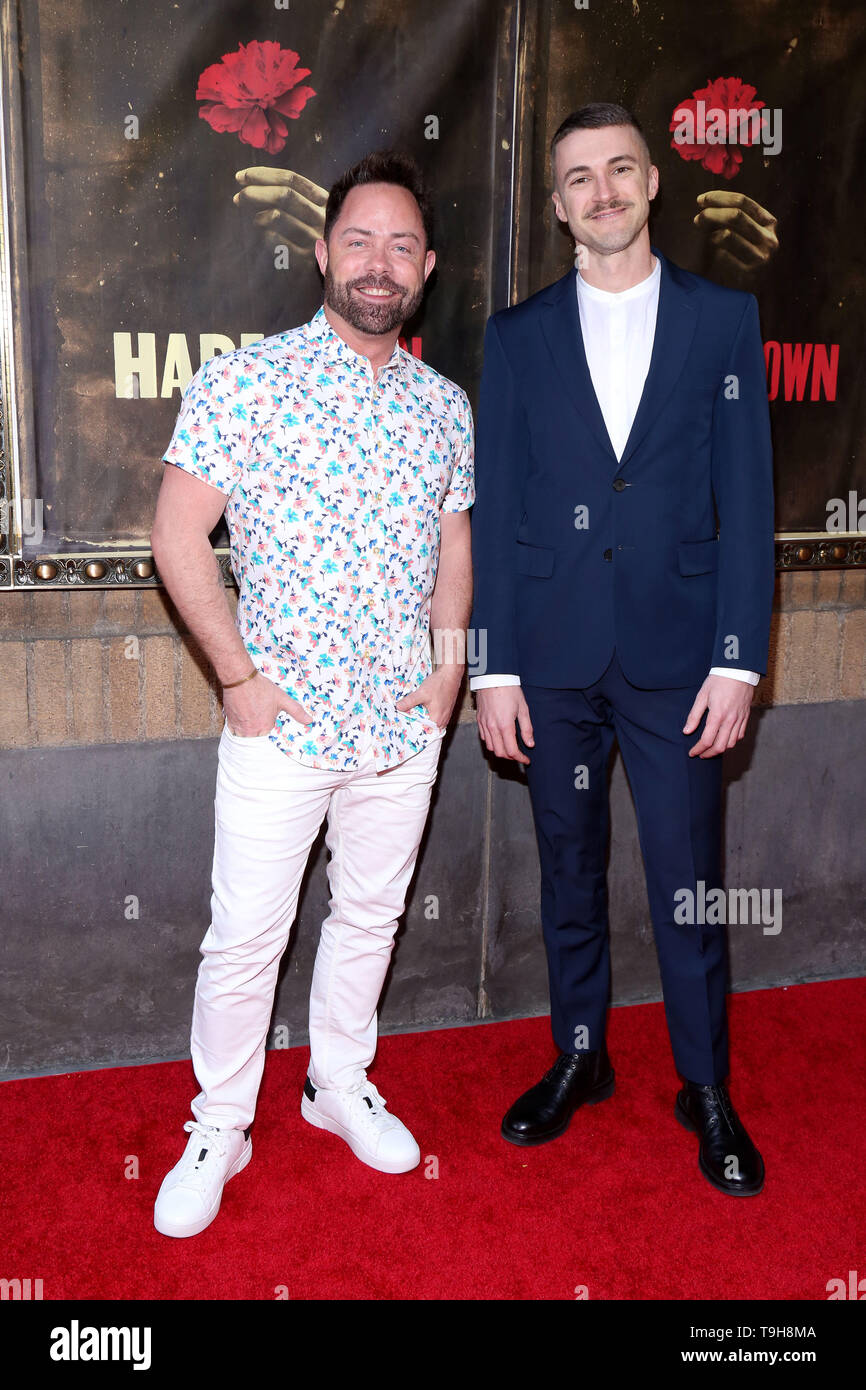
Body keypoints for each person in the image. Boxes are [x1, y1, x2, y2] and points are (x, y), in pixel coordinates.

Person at [150, 150, 474, 1238]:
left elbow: (452, 542)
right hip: (278, 728)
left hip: (400, 727)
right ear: (322, 251)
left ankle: (336, 1083)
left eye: (400, 246)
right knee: (245, 937)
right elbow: (176, 533)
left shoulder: (444, 405)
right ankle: (220, 1124)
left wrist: (445, 670)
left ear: (424, 267)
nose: (377, 264)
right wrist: (237, 676)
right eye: (359, 240)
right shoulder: (246, 380)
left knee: (370, 916)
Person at [470, 104, 774, 1197]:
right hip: (549, 662)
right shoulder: (513, 337)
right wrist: (490, 667)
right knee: (567, 867)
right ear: (556, 206)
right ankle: (580, 1055)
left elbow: (746, 499)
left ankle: (703, 1087)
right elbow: (496, 506)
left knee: (689, 883)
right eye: (576, 179)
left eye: (617, 171)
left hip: (680, 660)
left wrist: (738, 662)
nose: (599, 192)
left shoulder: (720, 320)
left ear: (651, 183)